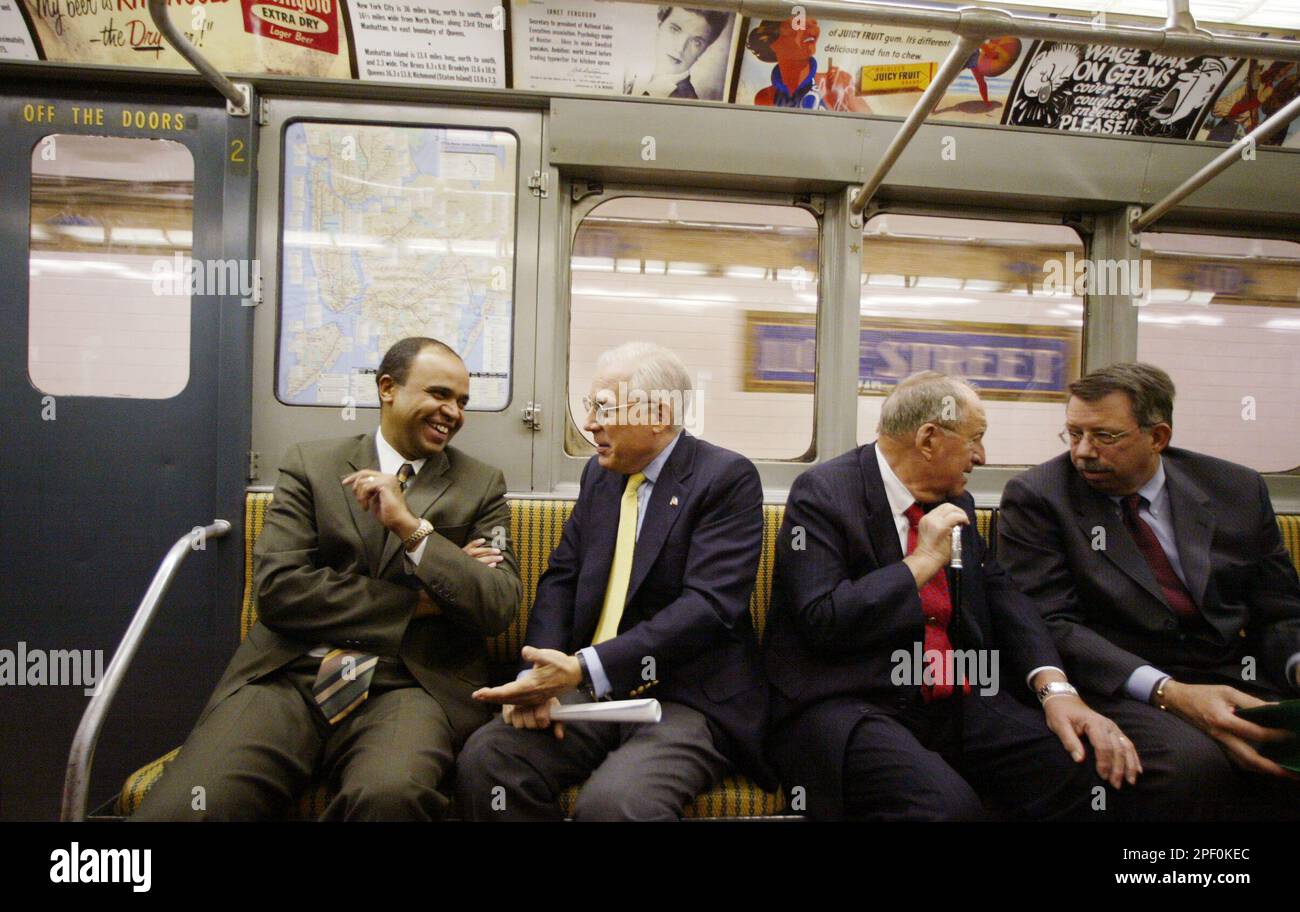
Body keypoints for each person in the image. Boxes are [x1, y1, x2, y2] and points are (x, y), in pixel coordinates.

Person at [134, 337, 521, 821]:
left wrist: (413, 529)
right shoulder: (311, 466)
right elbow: (280, 591)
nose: (453, 412)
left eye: (462, 402)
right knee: (186, 807)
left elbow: (497, 604)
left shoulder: (481, 484)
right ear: (387, 388)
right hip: (288, 677)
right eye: (440, 394)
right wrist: (422, 601)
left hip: (409, 684)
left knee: (390, 798)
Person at [764, 371, 1140, 821]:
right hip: (851, 700)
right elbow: (824, 619)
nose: (982, 456)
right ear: (928, 439)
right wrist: (921, 562)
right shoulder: (824, 494)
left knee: (1084, 770)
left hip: (954, 693)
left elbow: (1005, 597)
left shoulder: (954, 502)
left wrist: (1056, 690)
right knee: (944, 808)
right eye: (975, 439)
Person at [455, 341, 773, 820]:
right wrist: (537, 675)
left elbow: (707, 607)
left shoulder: (725, 478)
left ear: (658, 414)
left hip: (684, 699)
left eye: (602, 407)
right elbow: (562, 578)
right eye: (590, 407)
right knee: (488, 762)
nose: (590, 424)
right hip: (589, 692)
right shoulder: (600, 476)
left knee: (615, 805)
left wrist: (584, 666)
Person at [998, 362, 1300, 820]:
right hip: (1120, 680)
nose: (1083, 452)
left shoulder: (1234, 488)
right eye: (1073, 433)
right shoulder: (1039, 498)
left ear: (1158, 437)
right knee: (1192, 768)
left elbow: (1280, 611)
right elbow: (1051, 624)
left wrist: (1297, 663)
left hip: (1228, 668)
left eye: (1104, 436)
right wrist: (1170, 693)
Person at [747, 15, 869, 113]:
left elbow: (868, 130)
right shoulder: (765, 97)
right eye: (800, 24)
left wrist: (843, 105)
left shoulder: (839, 82)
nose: (812, 29)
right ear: (772, 42)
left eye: (814, 23)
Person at [624, 7, 732, 99]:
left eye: (696, 42)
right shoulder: (631, 69)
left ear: (704, 50)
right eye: (675, 30)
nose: (680, 48)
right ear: (659, 25)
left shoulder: (688, 103)